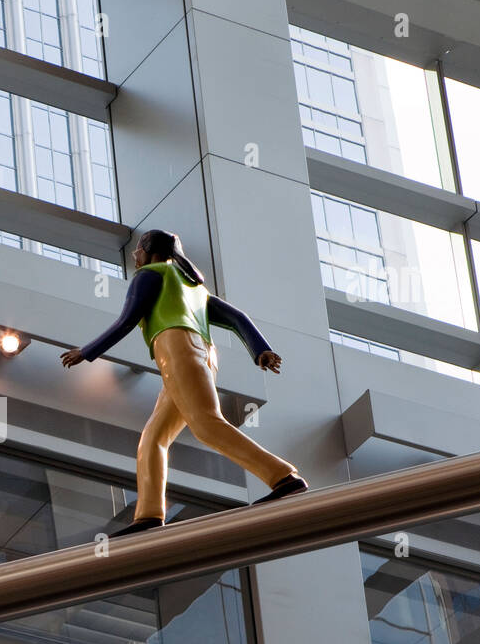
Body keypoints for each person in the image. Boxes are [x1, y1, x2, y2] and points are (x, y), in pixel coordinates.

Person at [61, 230, 308, 536]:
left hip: (177, 350)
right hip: (199, 355)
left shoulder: (151, 275)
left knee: (206, 424)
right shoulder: (195, 289)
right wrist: (260, 349)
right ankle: (149, 515)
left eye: (137, 249)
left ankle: (282, 476)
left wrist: (86, 352)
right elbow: (237, 317)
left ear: (148, 251)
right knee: (154, 437)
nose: (135, 256)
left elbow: (126, 320)